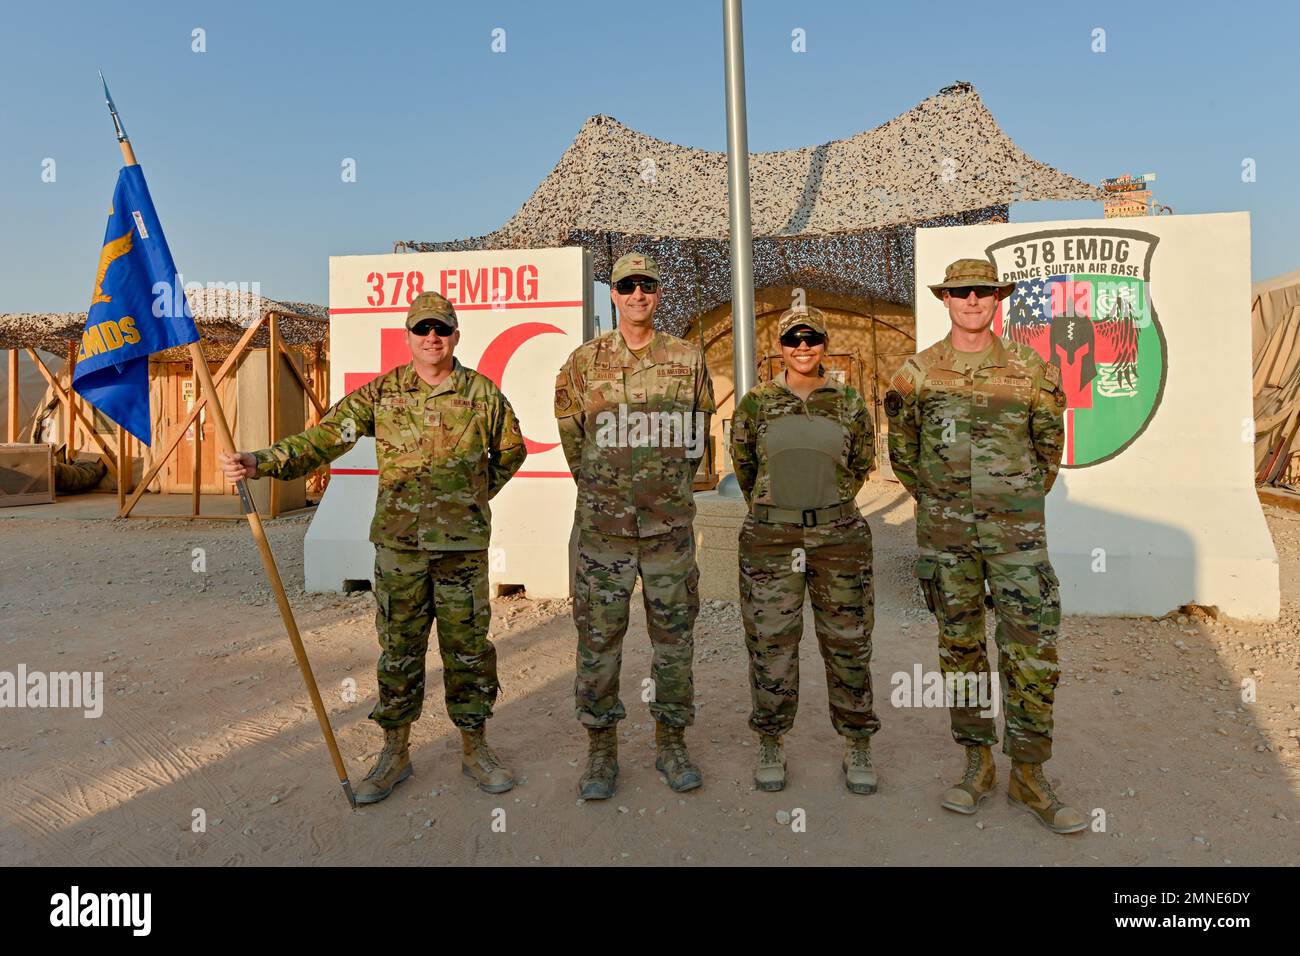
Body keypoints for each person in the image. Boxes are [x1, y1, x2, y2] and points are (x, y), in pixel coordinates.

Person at [219, 291, 525, 803]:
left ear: (456, 335)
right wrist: (261, 460)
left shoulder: (482, 394)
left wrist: (471, 497)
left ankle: (475, 749)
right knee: (400, 653)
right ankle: (395, 754)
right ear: (409, 336)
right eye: (423, 328)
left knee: (469, 652)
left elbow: (510, 451)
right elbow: (324, 439)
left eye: (442, 329)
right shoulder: (381, 395)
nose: (433, 337)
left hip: (461, 553)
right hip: (399, 551)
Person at [885, 257, 1086, 834]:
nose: (972, 300)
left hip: (1017, 539)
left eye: (983, 292)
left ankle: (1028, 773)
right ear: (945, 301)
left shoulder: (1030, 370)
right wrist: (946, 502)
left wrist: (1012, 500)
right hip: (948, 540)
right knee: (961, 649)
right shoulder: (917, 374)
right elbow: (904, 455)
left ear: (997, 300)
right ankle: (976, 764)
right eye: (961, 292)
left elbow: (1048, 450)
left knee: (1032, 651)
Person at [553, 251, 715, 799]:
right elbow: (573, 438)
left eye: (647, 284)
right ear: (614, 295)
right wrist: (605, 488)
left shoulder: (687, 358)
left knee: (674, 644)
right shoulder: (583, 363)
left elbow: (697, 437)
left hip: (668, 532)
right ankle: (601, 753)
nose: (638, 294)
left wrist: (664, 486)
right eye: (628, 286)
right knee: (598, 643)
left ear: (658, 293)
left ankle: (671, 743)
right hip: (604, 532)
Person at [730, 306, 880, 794]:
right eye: (793, 339)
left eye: (811, 338)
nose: (802, 347)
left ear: (824, 343)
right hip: (772, 540)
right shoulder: (755, 403)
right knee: (771, 644)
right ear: (780, 346)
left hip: (838, 539)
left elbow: (861, 464)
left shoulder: (849, 402)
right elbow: (746, 467)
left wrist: (823, 501)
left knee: (848, 643)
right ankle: (772, 739)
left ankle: (857, 741)